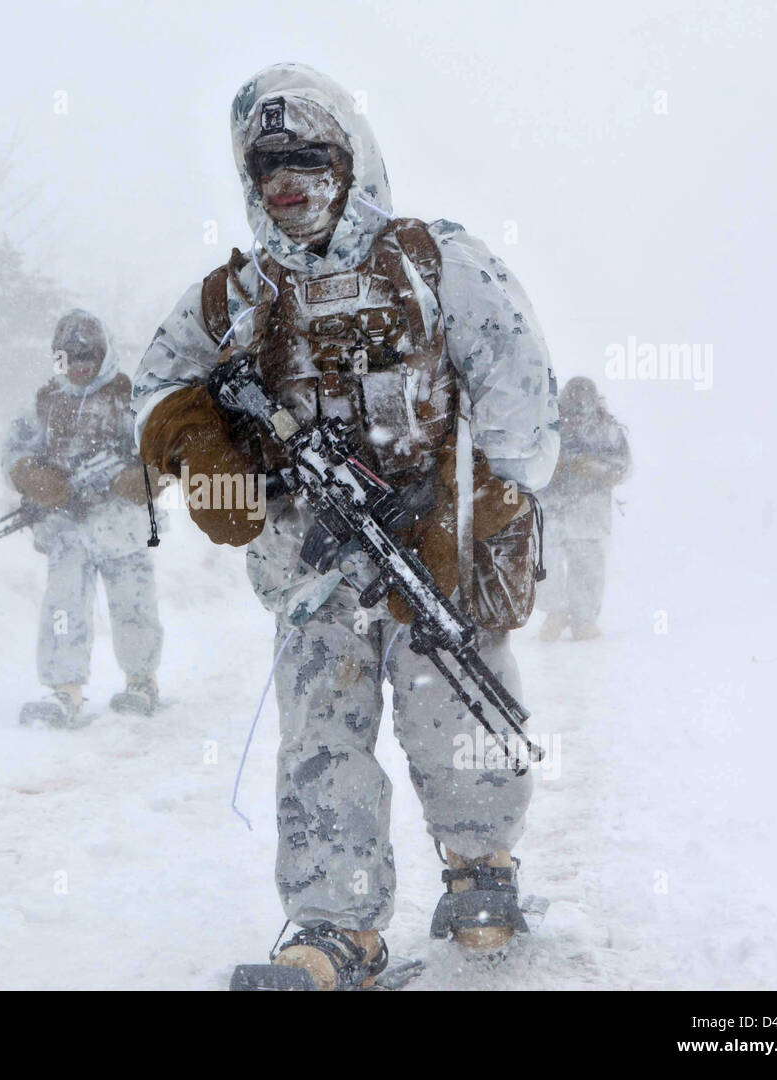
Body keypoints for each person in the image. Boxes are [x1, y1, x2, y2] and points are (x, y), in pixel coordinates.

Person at [132, 63, 559, 988]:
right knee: (322, 739)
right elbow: (157, 386)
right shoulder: (232, 298)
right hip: (311, 569)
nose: (285, 180)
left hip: (433, 554)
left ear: (350, 158)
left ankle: (480, 867)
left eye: (307, 156)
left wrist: (498, 507)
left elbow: (520, 390)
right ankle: (336, 924)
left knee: (456, 712)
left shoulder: (434, 260)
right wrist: (203, 449)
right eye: (265, 165)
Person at [3, 309, 162, 727]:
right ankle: (64, 690)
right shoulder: (45, 400)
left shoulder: (130, 396)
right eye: (67, 357)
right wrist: (30, 476)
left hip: (123, 523)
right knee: (63, 607)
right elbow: (15, 449)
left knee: (133, 604)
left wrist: (142, 476)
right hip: (67, 526)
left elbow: (163, 447)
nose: (77, 366)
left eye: (85, 356)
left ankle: (141, 680)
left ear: (103, 354)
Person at [537, 377, 631, 642]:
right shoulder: (549, 426)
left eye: (582, 404)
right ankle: (555, 612)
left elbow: (623, 468)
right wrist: (559, 466)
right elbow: (535, 461)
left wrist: (594, 468)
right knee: (544, 561)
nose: (577, 410)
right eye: (571, 403)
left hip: (589, 509)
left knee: (587, 564)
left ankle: (584, 618)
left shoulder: (607, 430)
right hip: (552, 507)